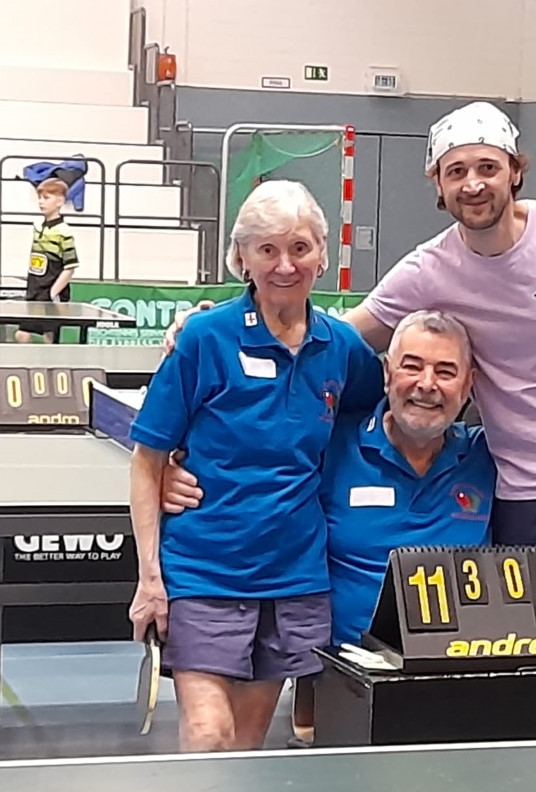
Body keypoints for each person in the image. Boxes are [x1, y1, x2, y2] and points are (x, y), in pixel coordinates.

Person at [165, 100, 536, 620]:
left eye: (487, 168)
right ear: (438, 186)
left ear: (515, 171)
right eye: (457, 172)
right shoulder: (429, 270)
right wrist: (219, 325)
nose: (473, 184)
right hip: (525, 499)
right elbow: (327, 338)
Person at [162, 306, 536, 746]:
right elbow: (248, 451)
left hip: (459, 689)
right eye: (411, 367)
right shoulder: (330, 445)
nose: (426, 386)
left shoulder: (495, 457)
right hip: (350, 685)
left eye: (446, 371)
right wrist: (172, 466)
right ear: (386, 372)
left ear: (470, 385)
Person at [127, 180, 384, 753]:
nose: (285, 265)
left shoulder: (341, 347)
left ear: (322, 254)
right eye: (266, 250)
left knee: (246, 746)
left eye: (299, 248)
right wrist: (151, 580)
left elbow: (383, 417)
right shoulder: (203, 338)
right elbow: (145, 461)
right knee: (210, 734)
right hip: (205, 569)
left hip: (293, 575)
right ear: (241, 257)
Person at [18, 178, 79, 343]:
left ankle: (49, 367)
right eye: (40, 198)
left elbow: (70, 267)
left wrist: (53, 293)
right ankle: (29, 367)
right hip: (34, 290)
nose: (41, 202)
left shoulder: (64, 232)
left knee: (49, 336)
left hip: (52, 293)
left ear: (59, 201)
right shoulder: (38, 226)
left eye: (46, 198)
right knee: (22, 334)